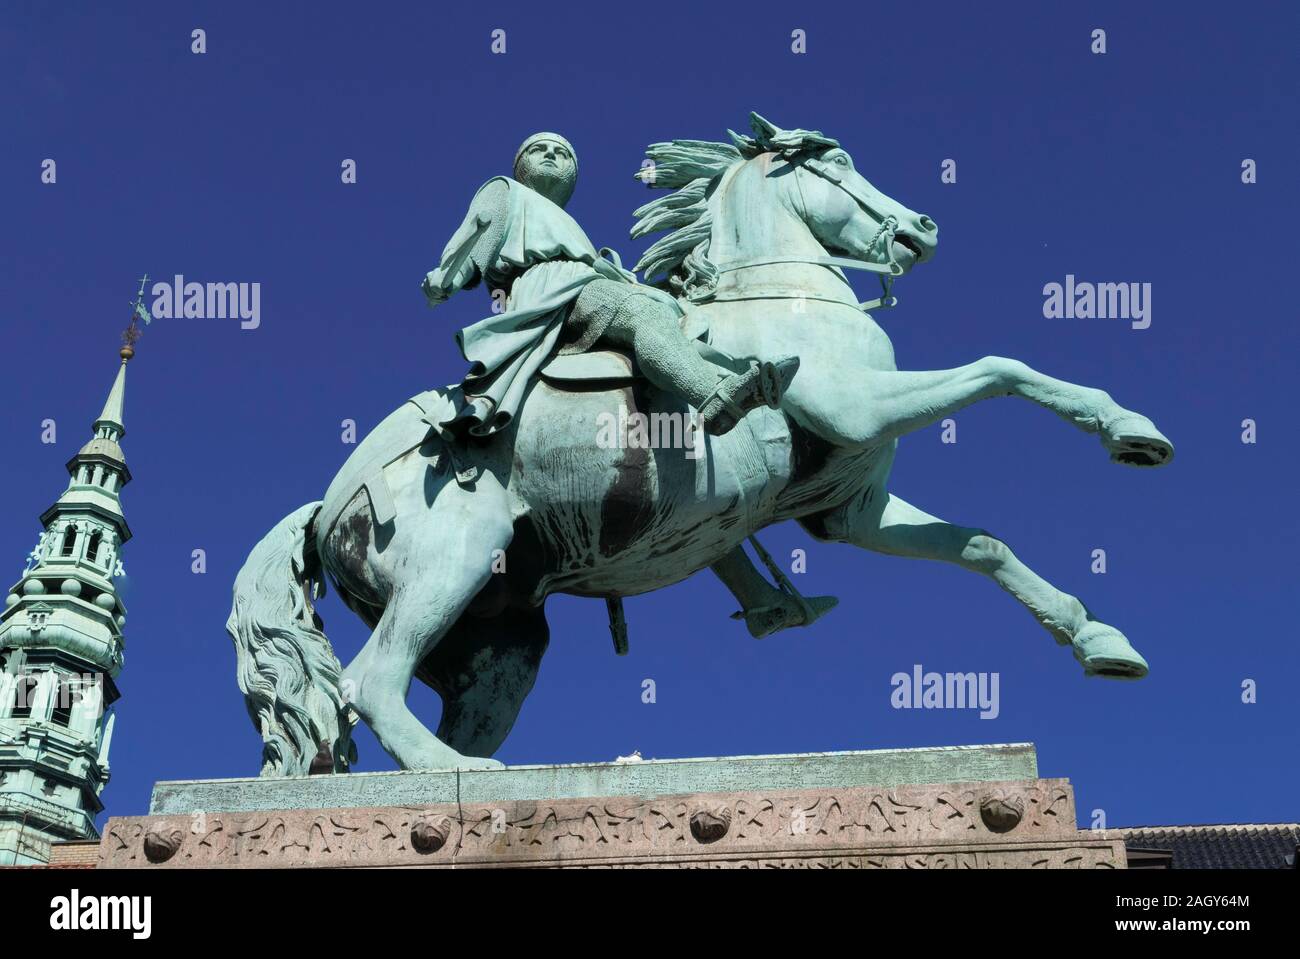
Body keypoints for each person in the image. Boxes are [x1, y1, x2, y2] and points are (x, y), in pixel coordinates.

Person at [422, 132, 798, 439]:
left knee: (672, 311)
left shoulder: (569, 224)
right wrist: (448, 278)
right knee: (639, 311)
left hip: (583, 283)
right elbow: (479, 235)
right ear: (521, 166)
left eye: (562, 154)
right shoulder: (507, 190)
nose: (552, 156)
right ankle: (713, 397)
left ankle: (724, 374)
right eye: (540, 150)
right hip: (553, 287)